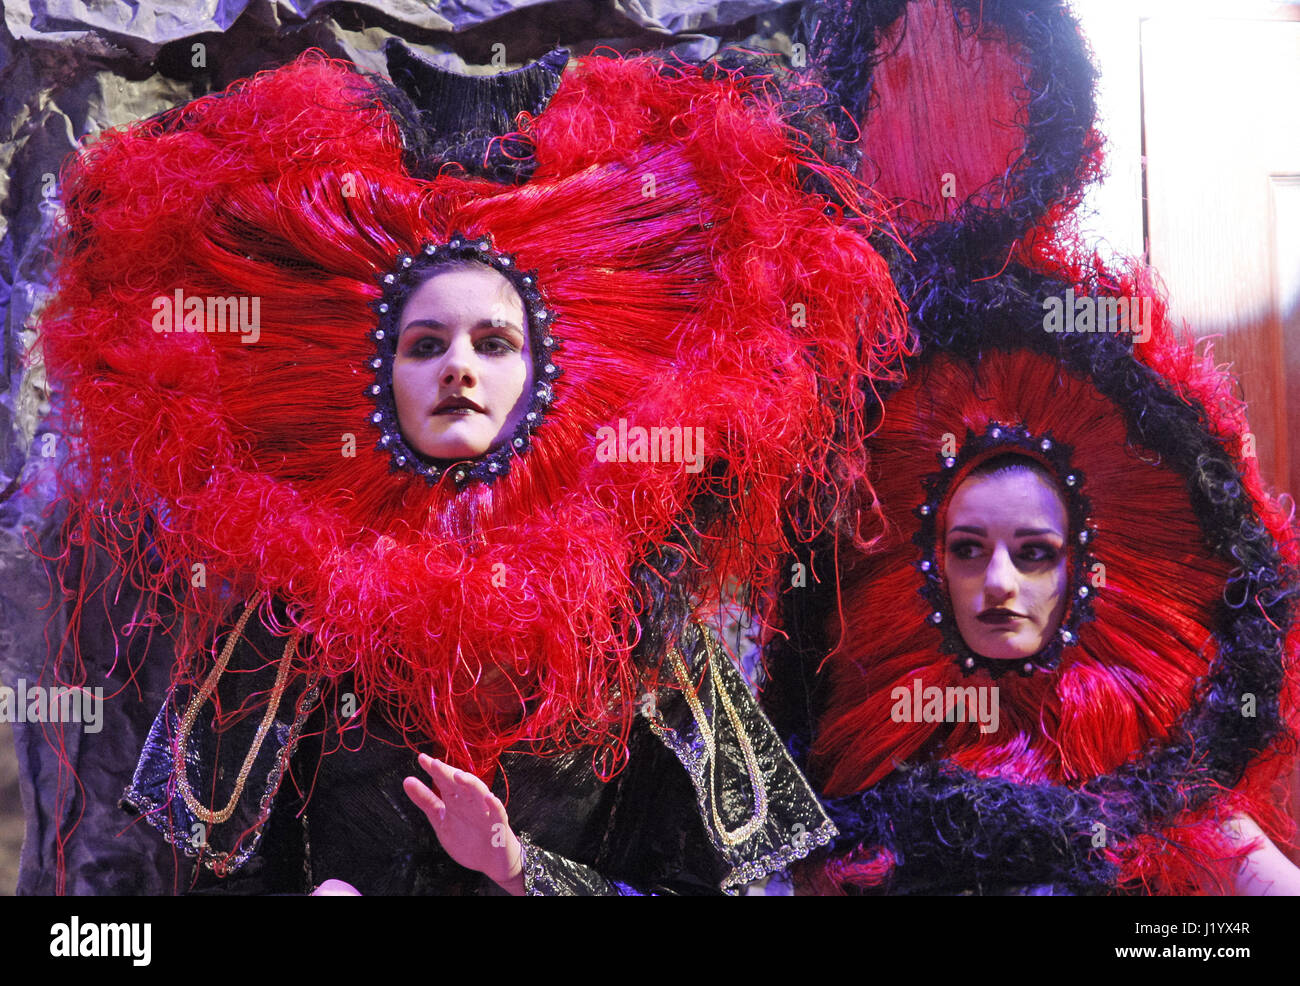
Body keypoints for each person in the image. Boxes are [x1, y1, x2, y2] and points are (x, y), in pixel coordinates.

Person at [34, 46, 909, 894]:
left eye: (493, 344)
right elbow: (202, 874)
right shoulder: (291, 621)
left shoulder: (643, 622)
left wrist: (522, 870)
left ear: (546, 378)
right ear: (375, 377)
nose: (459, 369)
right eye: (425, 345)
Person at [767, 259, 1300, 896]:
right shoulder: (862, 789)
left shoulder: (1168, 790)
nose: (997, 582)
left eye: (1034, 554)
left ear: (1085, 571)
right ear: (927, 569)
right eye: (967, 550)